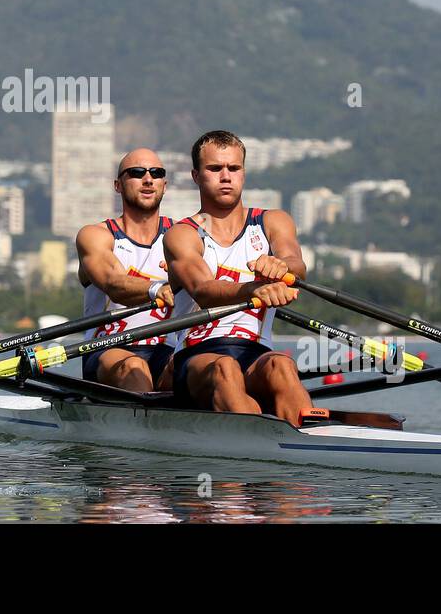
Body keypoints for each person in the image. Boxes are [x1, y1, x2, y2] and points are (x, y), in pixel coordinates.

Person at [163, 129, 314, 423]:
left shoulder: (272, 221)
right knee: (225, 369)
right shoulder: (182, 234)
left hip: (256, 353)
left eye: (234, 168)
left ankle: (307, 445)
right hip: (197, 357)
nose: (226, 176)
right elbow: (203, 289)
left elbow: (296, 263)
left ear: (243, 173)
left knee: (282, 366)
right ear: (196, 176)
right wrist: (252, 291)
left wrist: (282, 269)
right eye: (215, 168)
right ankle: (258, 448)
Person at [75, 148, 177, 392]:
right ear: (118, 185)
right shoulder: (96, 235)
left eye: (156, 173)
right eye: (137, 172)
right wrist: (158, 289)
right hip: (108, 351)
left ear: (165, 184)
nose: (148, 179)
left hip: (168, 350)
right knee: (135, 366)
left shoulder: (184, 236)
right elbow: (114, 283)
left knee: (210, 366)